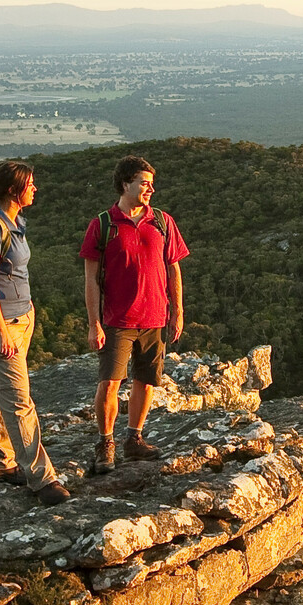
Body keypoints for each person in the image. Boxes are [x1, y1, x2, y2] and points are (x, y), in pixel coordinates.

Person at [77, 154, 189, 476]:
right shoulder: (102, 225)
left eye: (152, 183)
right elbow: (90, 280)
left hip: (154, 317)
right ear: (126, 184)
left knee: (146, 381)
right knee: (109, 382)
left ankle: (134, 439)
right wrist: (94, 323)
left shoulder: (163, 222)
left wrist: (177, 312)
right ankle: (105, 443)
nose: (150, 189)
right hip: (117, 321)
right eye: (144, 182)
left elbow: (174, 269)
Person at [0, 160, 66, 501]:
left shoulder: (15, 222)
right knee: (19, 401)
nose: (35, 189)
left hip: (20, 317)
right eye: (31, 184)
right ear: (14, 190)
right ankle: (42, 479)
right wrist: (1, 332)